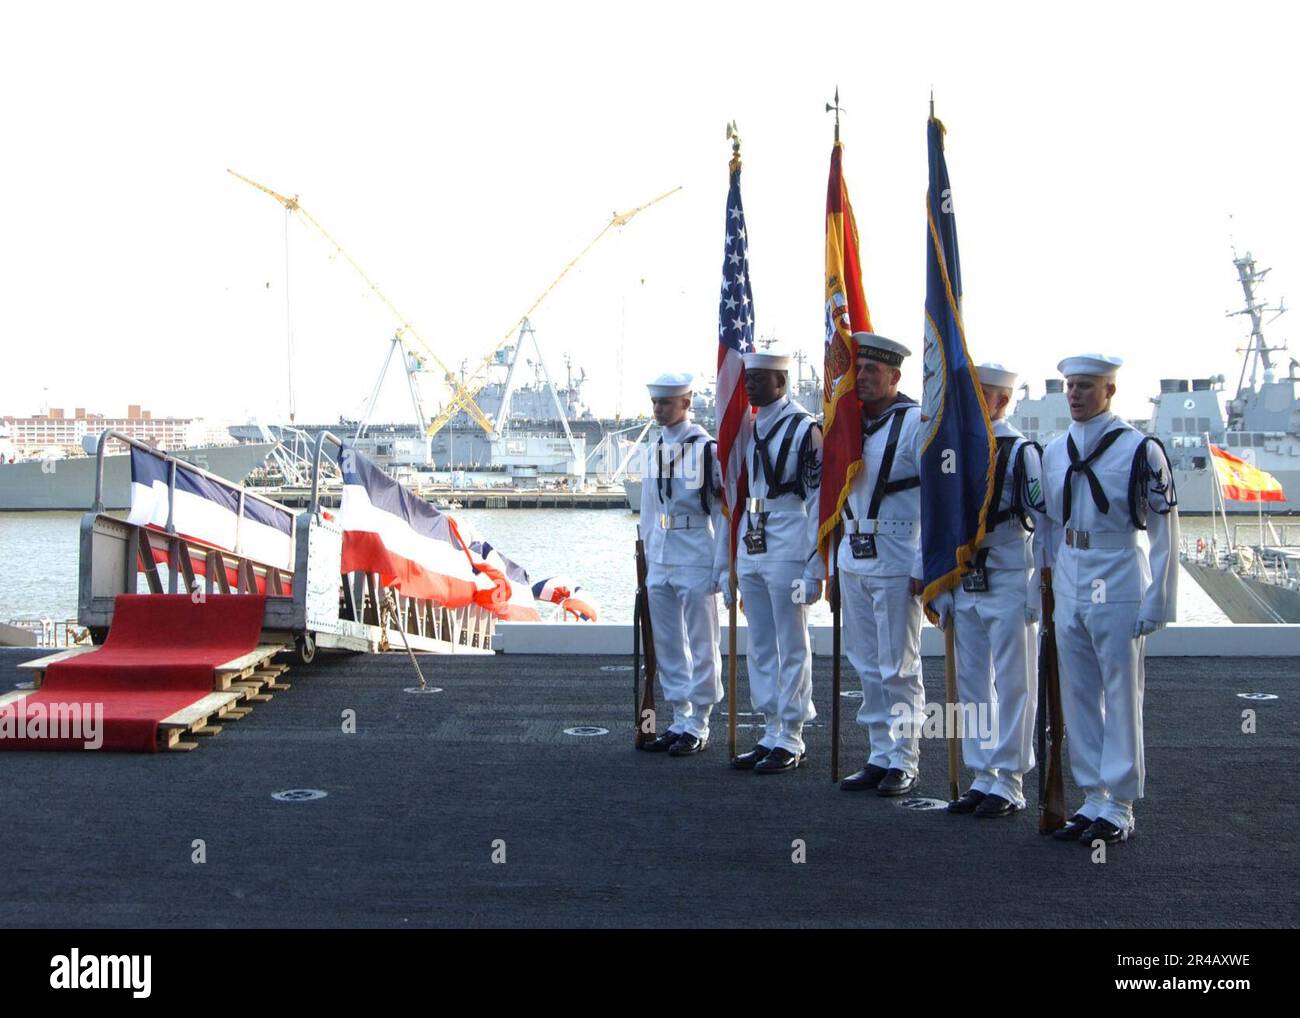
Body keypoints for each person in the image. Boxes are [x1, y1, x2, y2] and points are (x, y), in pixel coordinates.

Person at [1038, 354, 1179, 845]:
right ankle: (1091, 795)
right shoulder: (1054, 451)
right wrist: (1045, 590)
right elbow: (1049, 526)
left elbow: (1164, 530)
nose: (1075, 394)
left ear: (1110, 391)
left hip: (1118, 570)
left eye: (1085, 386)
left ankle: (1119, 802)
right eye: (1070, 386)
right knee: (1078, 692)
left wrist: (1160, 599)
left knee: (1120, 692)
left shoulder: (1142, 451)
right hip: (1072, 571)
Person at [932, 363, 1045, 818]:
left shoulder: (1020, 453)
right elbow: (938, 520)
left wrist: (1040, 583)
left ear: (1001, 400)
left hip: (1008, 567)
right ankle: (982, 772)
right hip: (965, 575)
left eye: (980, 393)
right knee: (972, 679)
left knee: (1015, 680)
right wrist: (938, 582)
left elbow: (1047, 519)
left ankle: (1011, 778)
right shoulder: (953, 452)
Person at [719, 350, 823, 774]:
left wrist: (815, 562)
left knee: (790, 639)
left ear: (782, 381)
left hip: (788, 533)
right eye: (748, 379)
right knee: (760, 641)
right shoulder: (745, 426)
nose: (750, 387)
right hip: (752, 535)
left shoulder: (804, 429)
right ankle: (770, 726)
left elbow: (817, 498)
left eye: (760, 379)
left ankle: (792, 735)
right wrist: (729, 564)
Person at [837, 333, 927, 797]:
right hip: (853, 555)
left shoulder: (915, 423)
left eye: (875, 370)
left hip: (896, 556)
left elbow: (936, 498)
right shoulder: (846, 424)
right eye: (861, 369)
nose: (865, 377)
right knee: (866, 663)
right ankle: (878, 752)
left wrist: (924, 562)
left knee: (899, 666)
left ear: (895, 376)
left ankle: (905, 758)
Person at [637, 372, 724, 756]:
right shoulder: (654, 447)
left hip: (695, 550)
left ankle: (700, 721)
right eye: (656, 402)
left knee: (702, 641)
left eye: (666, 403)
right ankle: (678, 716)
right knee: (668, 641)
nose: (659, 409)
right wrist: (645, 556)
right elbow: (648, 507)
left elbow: (721, 512)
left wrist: (724, 564)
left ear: (686, 404)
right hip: (661, 552)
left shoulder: (707, 450)